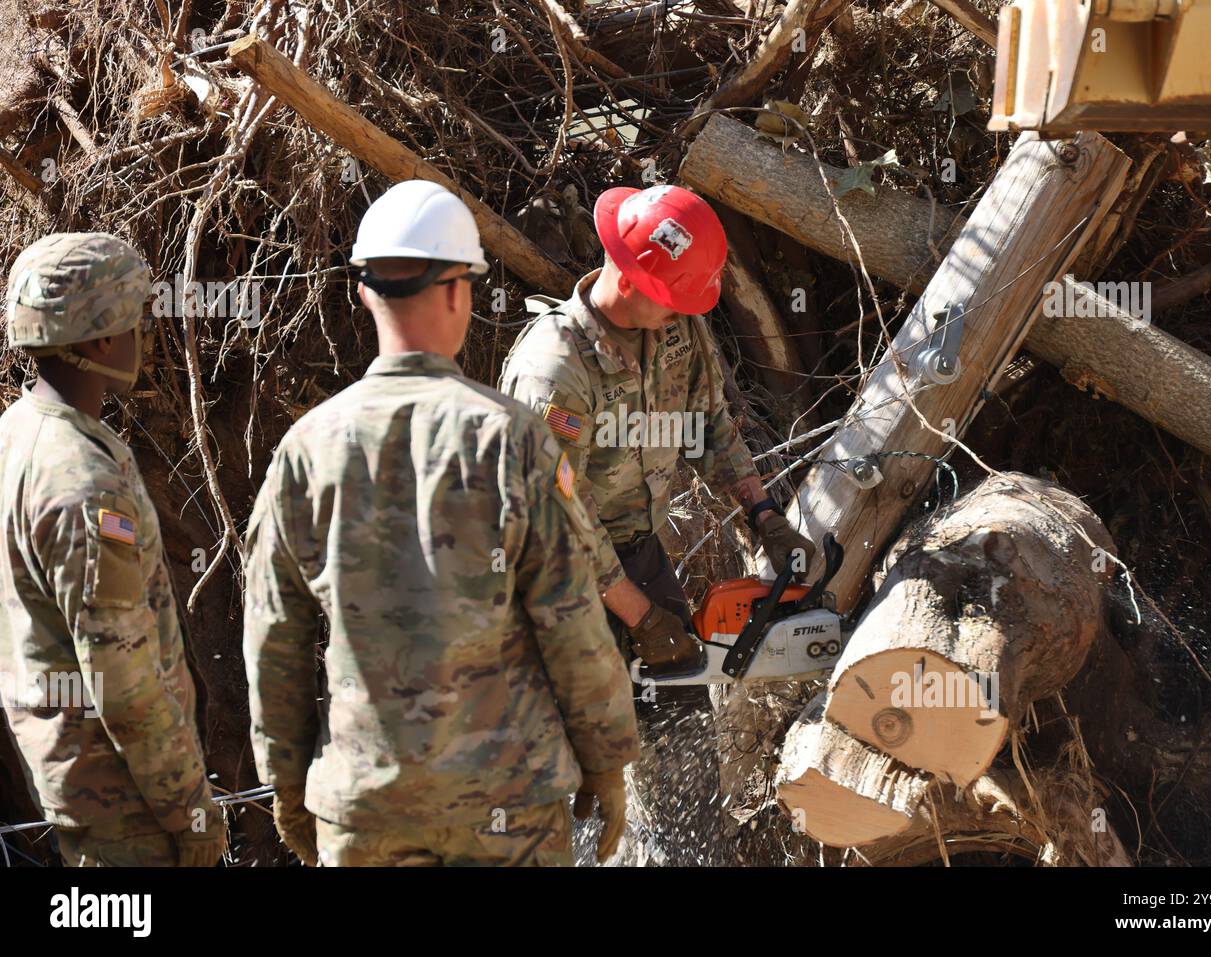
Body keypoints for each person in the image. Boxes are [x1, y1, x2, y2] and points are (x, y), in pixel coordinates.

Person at [243, 180, 640, 867]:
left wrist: (287, 784)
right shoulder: (514, 441)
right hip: (508, 804)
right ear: (460, 291)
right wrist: (606, 762)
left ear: (364, 292)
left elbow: (274, 638)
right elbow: (572, 621)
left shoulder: (307, 449)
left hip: (367, 804)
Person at [499, 184, 814, 864]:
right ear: (631, 277)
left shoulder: (675, 328)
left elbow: (712, 425)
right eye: (673, 298)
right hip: (550, 585)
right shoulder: (554, 370)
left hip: (637, 555)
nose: (681, 311)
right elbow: (557, 525)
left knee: (682, 741)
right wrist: (639, 617)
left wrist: (764, 516)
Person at [0, 232, 225, 867]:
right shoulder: (81, 480)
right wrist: (193, 809)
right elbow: (121, 682)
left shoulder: (17, 435)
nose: (144, 336)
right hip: (126, 810)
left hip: (76, 781)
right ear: (99, 340)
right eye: (136, 319)